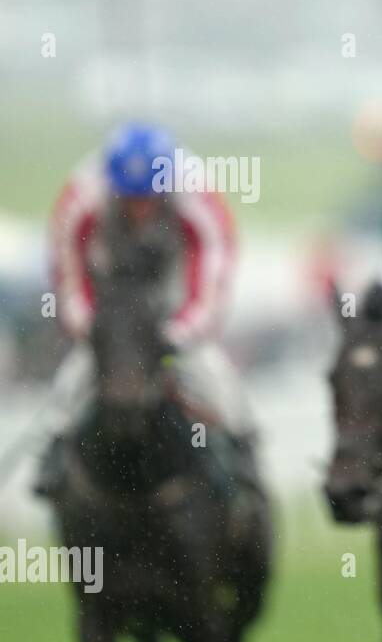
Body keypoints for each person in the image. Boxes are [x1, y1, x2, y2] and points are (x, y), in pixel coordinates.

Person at [35, 122, 260, 503]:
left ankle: (244, 469)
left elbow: (214, 274)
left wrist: (181, 333)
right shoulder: (82, 197)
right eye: (130, 198)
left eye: (149, 198)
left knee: (222, 389)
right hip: (113, 324)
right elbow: (66, 273)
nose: (140, 208)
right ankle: (53, 462)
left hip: (172, 314)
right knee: (67, 391)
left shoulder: (197, 195)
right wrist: (92, 328)